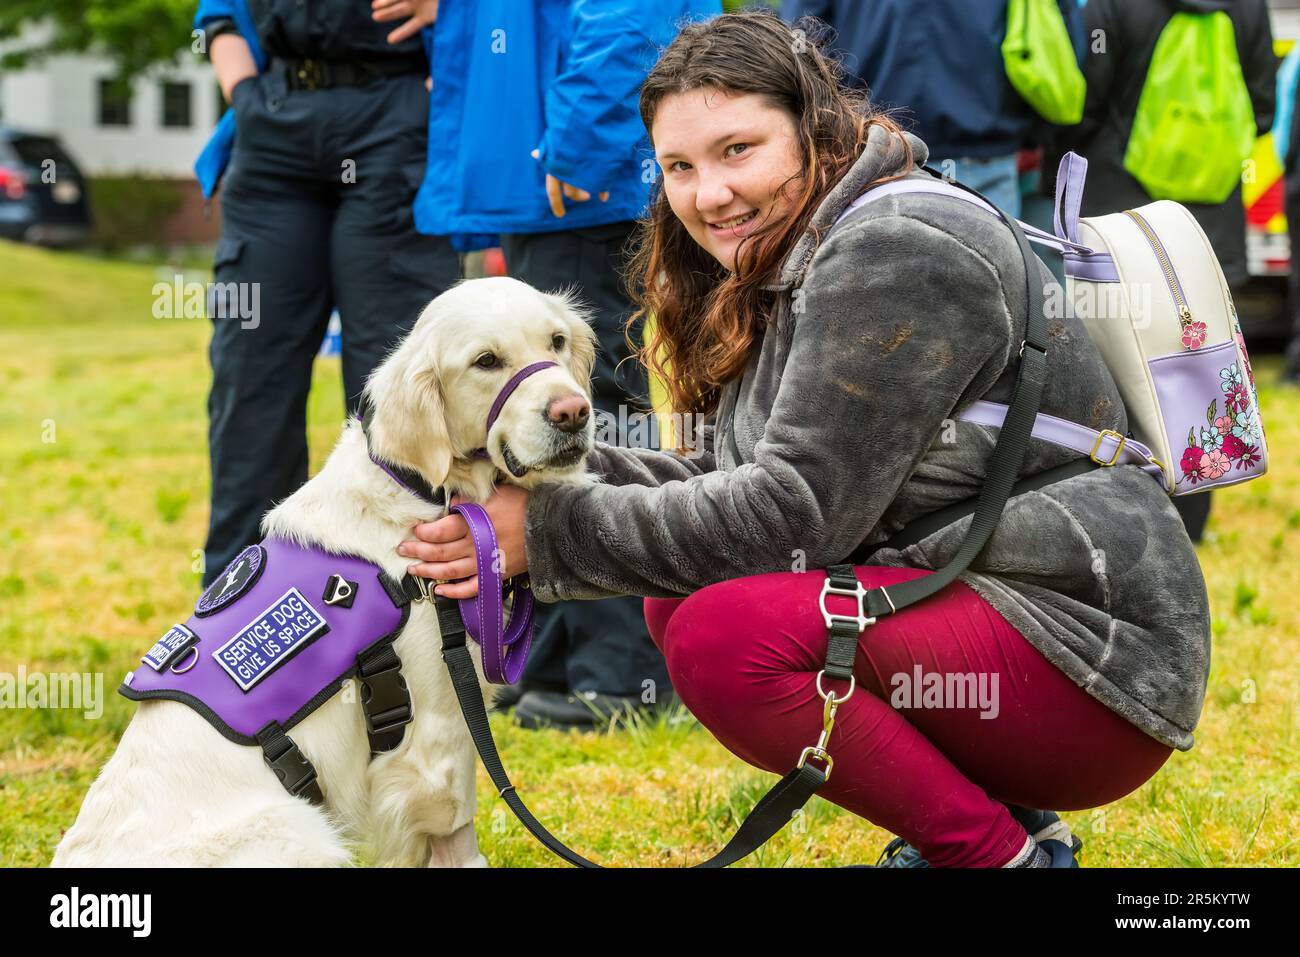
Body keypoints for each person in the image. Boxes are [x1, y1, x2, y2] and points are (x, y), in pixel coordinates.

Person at [396, 9, 1212, 867]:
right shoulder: (809, 238)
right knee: (679, 600)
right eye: (679, 166)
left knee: (726, 638)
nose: (707, 194)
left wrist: (552, 535)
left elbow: (793, 518)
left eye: (737, 150)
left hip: (1094, 662)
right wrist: (537, 475)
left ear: (813, 128)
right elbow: (729, 465)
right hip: (1006, 616)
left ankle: (994, 856)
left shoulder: (896, 249)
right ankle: (1018, 824)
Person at [396, 0, 719, 730]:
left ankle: (620, 673)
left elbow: (627, 15)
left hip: (576, 175)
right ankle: (553, 660)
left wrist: (576, 143)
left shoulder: (578, 151)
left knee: (595, 415)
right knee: (539, 429)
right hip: (544, 175)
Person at [193, 0, 460, 587]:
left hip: (396, 118)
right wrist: (244, 96)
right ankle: (235, 613)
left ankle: (396, 613)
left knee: (393, 389)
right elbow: (218, 14)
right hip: (273, 125)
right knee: (249, 381)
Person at [780, 0, 1085, 219]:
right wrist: (1033, 135)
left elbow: (801, 47)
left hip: (871, 152)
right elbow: (1063, 42)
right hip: (983, 151)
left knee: (885, 293)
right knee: (991, 291)